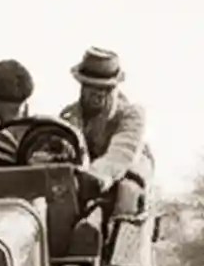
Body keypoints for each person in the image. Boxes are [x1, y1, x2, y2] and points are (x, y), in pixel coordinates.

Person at [59, 47, 154, 216]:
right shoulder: (68, 117)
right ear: (82, 87)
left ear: (115, 89)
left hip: (120, 176)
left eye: (106, 89)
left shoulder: (131, 115)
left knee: (127, 192)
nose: (98, 95)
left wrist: (95, 176)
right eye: (91, 87)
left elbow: (122, 153)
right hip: (80, 181)